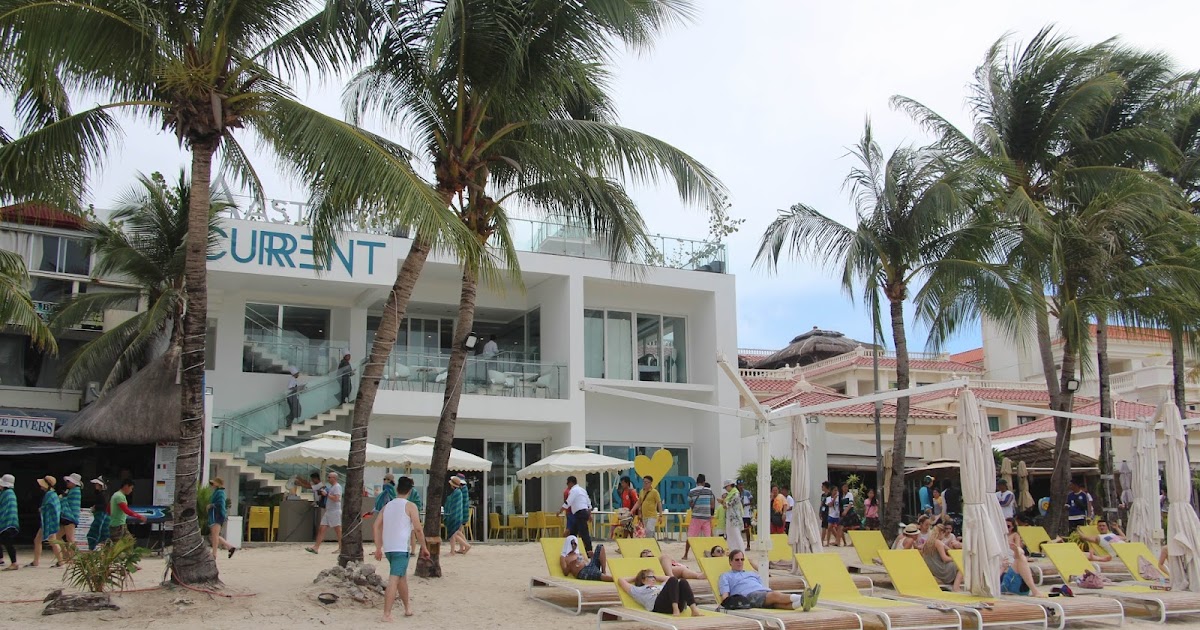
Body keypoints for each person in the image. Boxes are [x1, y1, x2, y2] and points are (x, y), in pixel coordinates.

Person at [373, 476, 431, 621]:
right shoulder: (410, 506)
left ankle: (407, 608)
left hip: (389, 548)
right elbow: (418, 529)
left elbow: (376, 526)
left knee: (401, 578)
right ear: (410, 490)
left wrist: (378, 547)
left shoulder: (388, 505)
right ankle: (386, 614)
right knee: (394, 579)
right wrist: (424, 547)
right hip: (400, 548)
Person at [718, 549, 810, 610]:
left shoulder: (751, 573)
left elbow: (767, 575)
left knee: (777, 604)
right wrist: (726, 605)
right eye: (737, 560)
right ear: (730, 561)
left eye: (742, 559)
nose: (740, 562)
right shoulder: (725, 576)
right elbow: (725, 596)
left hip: (762, 592)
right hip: (747, 596)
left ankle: (802, 603)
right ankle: (804, 598)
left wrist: (751, 562)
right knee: (774, 595)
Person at [618, 567, 701, 616]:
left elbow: (670, 579)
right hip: (658, 606)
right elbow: (621, 580)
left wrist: (654, 576)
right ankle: (675, 609)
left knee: (682, 581)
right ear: (643, 580)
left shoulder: (660, 586)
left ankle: (694, 609)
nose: (654, 579)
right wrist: (636, 577)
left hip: (676, 605)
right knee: (673, 580)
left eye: (654, 577)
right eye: (651, 577)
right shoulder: (638, 590)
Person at [307, 471, 343, 554]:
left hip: (334, 511)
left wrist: (326, 495)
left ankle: (341, 547)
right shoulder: (331, 487)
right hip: (329, 511)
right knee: (322, 528)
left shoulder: (337, 487)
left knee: (338, 530)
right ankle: (316, 547)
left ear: (334, 478)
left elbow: (336, 498)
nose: (328, 479)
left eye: (330, 477)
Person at [32, 475, 63, 567]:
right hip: (48, 521)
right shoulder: (53, 494)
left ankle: (61, 561)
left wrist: (42, 509)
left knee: (52, 541)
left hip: (49, 522)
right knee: (38, 540)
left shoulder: (50, 494)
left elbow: (50, 508)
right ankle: (35, 561)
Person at [920, 524, 962, 591]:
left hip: (931, 568)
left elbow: (949, 550)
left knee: (955, 565)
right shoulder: (938, 543)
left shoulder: (927, 542)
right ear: (941, 533)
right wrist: (956, 559)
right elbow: (945, 559)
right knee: (961, 566)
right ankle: (956, 587)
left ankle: (954, 585)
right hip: (940, 568)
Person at [558, 475, 593, 554]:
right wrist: (590, 514)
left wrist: (560, 511)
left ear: (571, 483)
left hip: (579, 513)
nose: (567, 485)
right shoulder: (582, 490)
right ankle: (572, 549)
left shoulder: (573, 491)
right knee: (573, 532)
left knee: (583, 533)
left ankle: (589, 550)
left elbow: (568, 502)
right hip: (584, 512)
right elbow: (588, 503)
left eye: (567, 483)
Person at [683, 474, 715, 559]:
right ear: (704, 482)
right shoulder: (709, 491)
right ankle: (709, 553)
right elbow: (712, 504)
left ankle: (686, 554)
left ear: (697, 482)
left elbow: (690, 502)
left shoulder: (692, 491)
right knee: (708, 537)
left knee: (691, 536)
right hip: (706, 517)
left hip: (696, 517)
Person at [109, 479, 146, 543]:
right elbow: (126, 510)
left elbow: (108, 508)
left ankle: (128, 553)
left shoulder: (117, 495)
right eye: (131, 488)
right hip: (117, 526)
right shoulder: (119, 496)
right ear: (126, 486)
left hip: (120, 524)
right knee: (116, 546)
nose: (131, 490)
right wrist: (139, 516)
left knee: (130, 541)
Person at [207, 478, 237, 559]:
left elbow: (220, 503)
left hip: (217, 515)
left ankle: (214, 554)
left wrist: (212, 505)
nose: (212, 485)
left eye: (214, 483)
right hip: (215, 515)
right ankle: (229, 547)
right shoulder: (217, 492)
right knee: (214, 535)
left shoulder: (220, 492)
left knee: (215, 535)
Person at [444, 474, 471, 555]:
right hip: (459, 515)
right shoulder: (460, 490)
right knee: (456, 532)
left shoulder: (457, 493)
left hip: (456, 516)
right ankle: (457, 549)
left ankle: (465, 545)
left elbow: (455, 505)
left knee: (454, 533)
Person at [639, 548, 704, 580]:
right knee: (665, 557)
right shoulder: (644, 563)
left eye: (649, 551)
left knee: (682, 570)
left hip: (675, 569)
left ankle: (698, 575)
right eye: (644, 552)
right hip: (663, 572)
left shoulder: (660, 559)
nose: (647, 552)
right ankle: (671, 577)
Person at [59, 473, 82, 561]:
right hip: (68, 517)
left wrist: (62, 497)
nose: (67, 483)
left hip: (70, 517)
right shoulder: (71, 491)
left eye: (69, 481)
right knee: (57, 537)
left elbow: (66, 502)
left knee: (70, 539)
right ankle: (66, 555)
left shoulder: (75, 491)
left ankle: (72, 557)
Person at [86, 477, 110, 551]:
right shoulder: (101, 494)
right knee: (103, 534)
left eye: (97, 484)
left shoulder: (102, 495)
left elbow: (104, 505)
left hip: (101, 516)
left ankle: (92, 550)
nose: (95, 485)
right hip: (101, 515)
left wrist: (95, 507)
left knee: (94, 533)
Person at [0, 474, 17, 570]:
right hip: (9, 521)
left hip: (7, 522)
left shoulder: (7, 493)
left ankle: (14, 563)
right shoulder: (8, 493)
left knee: (8, 542)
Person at [722, 479, 744, 551]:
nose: (726, 489)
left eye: (726, 487)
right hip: (729, 518)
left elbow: (729, 504)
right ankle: (733, 551)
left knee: (737, 535)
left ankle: (741, 552)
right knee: (730, 536)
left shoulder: (735, 494)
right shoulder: (730, 494)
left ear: (729, 486)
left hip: (735, 518)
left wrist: (723, 502)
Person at [824, 482, 841, 546]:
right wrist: (834, 498)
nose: (836, 492)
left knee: (838, 529)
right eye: (834, 490)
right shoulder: (828, 498)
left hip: (837, 515)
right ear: (831, 491)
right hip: (831, 515)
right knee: (829, 528)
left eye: (837, 490)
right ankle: (828, 542)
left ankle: (838, 541)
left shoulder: (839, 498)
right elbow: (830, 505)